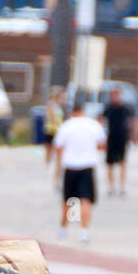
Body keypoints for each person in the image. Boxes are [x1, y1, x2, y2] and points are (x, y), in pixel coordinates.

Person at [53, 95, 106, 243]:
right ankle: (84, 230)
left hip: (70, 165)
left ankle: (63, 229)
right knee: (85, 199)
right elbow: (102, 144)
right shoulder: (93, 125)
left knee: (69, 200)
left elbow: (58, 146)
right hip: (87, 165)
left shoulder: (67, 125)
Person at [102, 85, 137, 197]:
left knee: (123, 162)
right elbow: (101, 122)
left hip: (122, 137)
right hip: (111, 137)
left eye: (117, 94)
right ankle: (111, 187)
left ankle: (122, 187)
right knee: (110, 164)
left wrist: (134, 135)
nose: (115, 97)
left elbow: (132, 121)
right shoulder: (108, 108)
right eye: (113, 94)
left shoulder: (126, 108)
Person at [43, 88, 64, 168]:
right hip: (51, 130)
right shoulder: (52, 105)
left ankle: (56, 165)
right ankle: (47, 165)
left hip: (57, 130)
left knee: (57, 149)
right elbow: (51, 116)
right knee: (49, 149)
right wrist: (57, 124)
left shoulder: (59, 107)